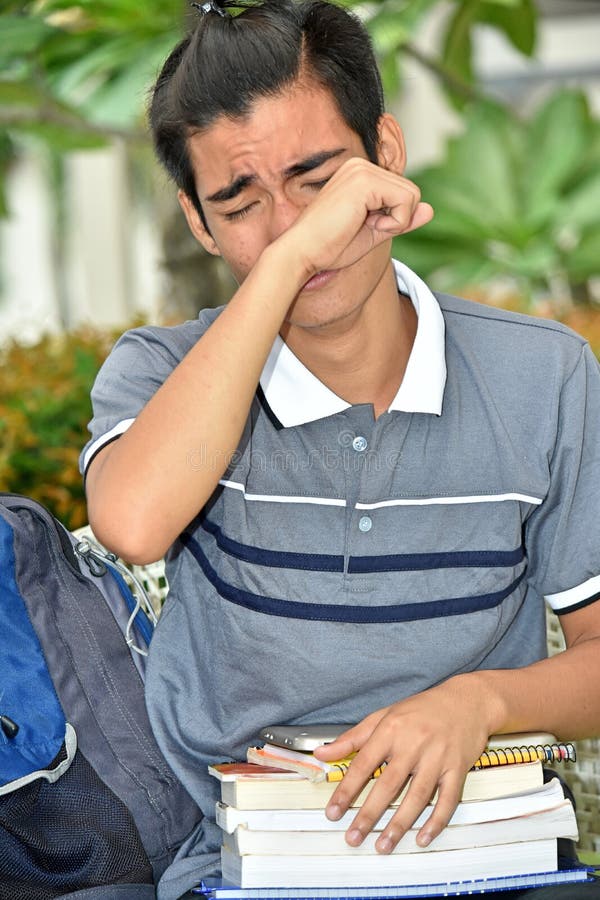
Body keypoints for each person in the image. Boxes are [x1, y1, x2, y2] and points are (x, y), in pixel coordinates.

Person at [80, 1, 600, 897]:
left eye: (317, 180)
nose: (290, 227)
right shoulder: (164, 374)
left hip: (490, 855)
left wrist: (479, 704)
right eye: (241, 205)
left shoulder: (543, 375)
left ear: (385, 155)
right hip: (248, 864)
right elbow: (133, 522)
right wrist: (287, 266)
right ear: (200, 226)